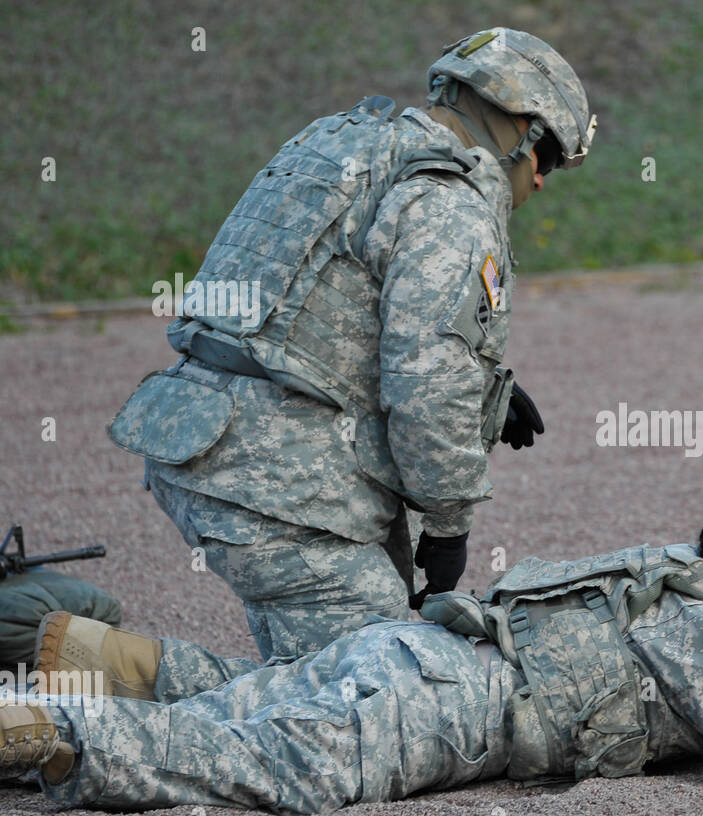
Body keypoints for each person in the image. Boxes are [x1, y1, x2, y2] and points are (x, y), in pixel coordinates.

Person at [99, 28, 598, 705]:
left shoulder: (339, 141)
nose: (541, 178)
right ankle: (84, 697)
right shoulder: (450, 201)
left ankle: (88, 666)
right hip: (280, 482)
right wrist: (449, 527)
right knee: (383, 703)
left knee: (347, 666)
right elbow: (428, 392)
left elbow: (314, 310)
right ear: (513, 124)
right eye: (545, 154)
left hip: (211, 438)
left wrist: (482, 382)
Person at [1, 481, 703, 815]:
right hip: (439, 706)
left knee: (260, 694)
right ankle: (53, 728)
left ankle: (92, 658)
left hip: (415, 647)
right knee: (278, 764)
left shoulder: (672, 572)